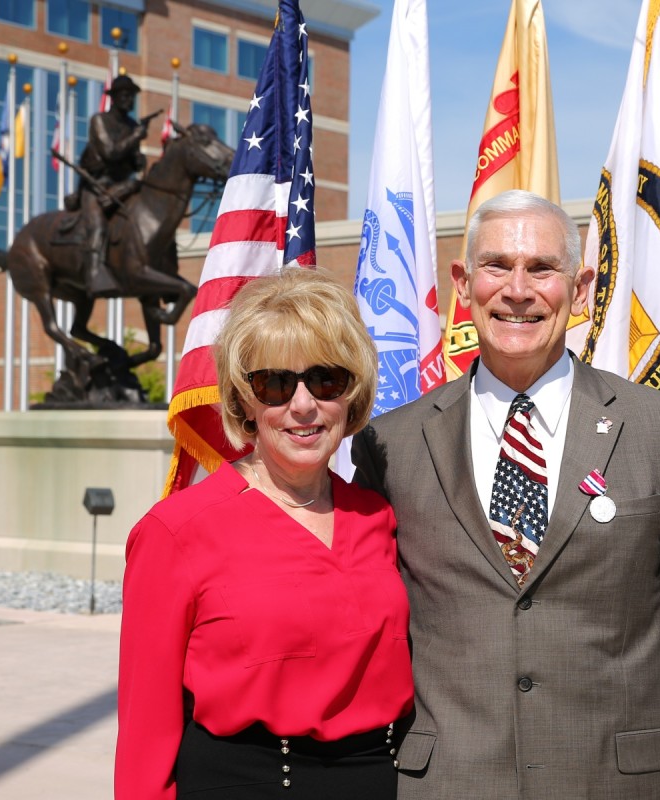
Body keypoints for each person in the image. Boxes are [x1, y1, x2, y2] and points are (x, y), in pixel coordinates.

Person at [352, 190, 660, 799]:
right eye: (496, 266)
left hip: (619, 785)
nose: (517, 290)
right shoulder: (390, 445)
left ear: (580, 290)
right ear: (462, 285)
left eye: (542, 269)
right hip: (448, 784)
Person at [117, 268, 413, 799]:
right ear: (244, 402)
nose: (302, 405)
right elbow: (145, 735)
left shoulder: (380, 516)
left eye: (326, 380)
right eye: (274, 384)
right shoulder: (175, 533)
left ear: (353, 392)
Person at [75, 74, 149, 298]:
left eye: (132, 96)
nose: (130, 100)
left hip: (124, 186)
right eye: (125, 95)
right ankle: (95, 271)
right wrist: (136, 136)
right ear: (114, 98)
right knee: (97, 226)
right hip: (97, 186)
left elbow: (134, 162)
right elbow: (110, 151)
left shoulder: (132, 125)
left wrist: (139, 159)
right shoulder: (99, 120)